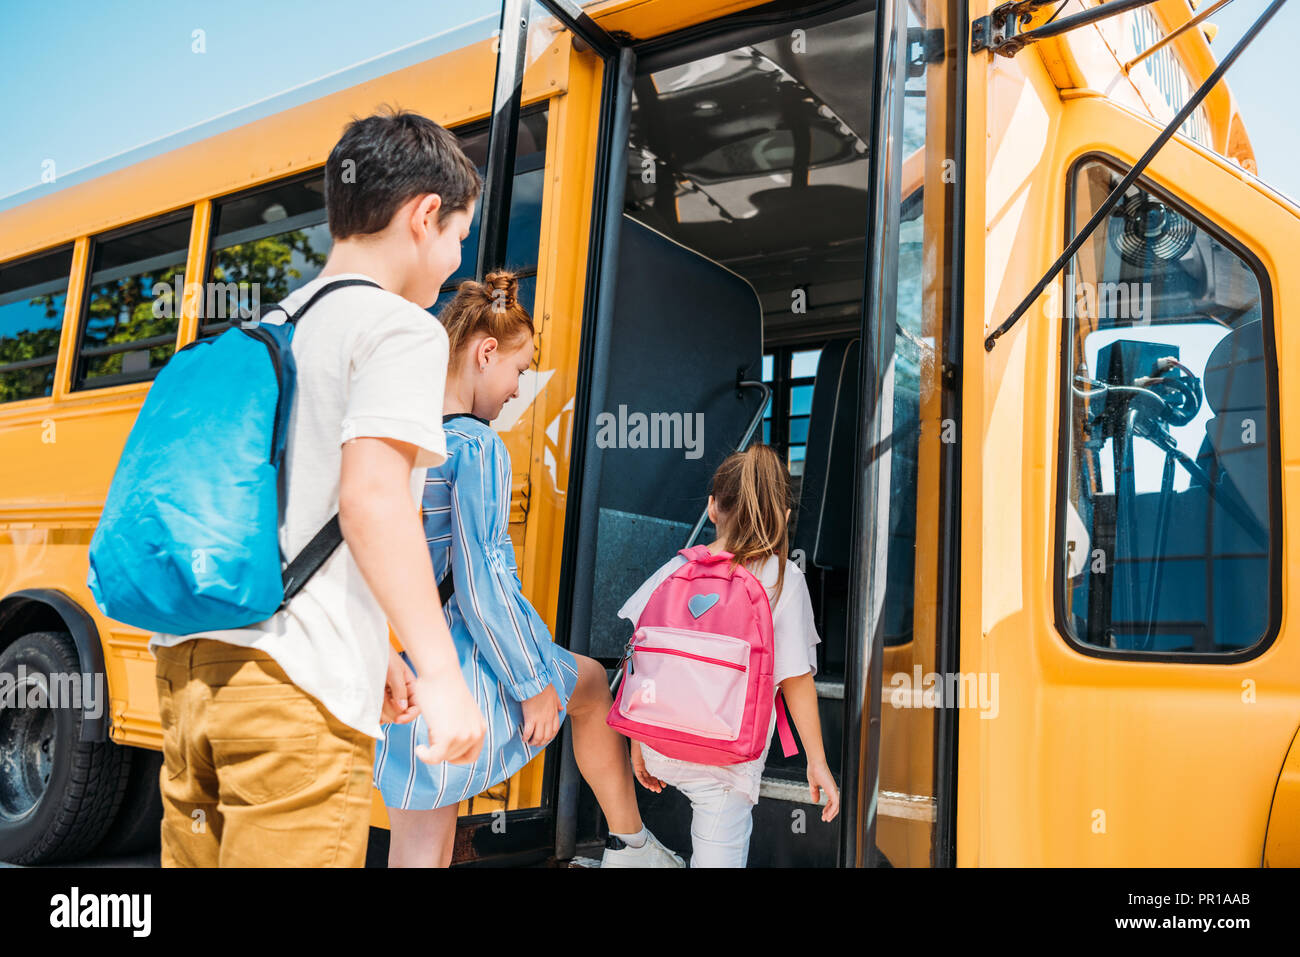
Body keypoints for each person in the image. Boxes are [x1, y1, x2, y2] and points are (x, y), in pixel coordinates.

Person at [150, 108, 487, 867]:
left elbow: (299, 509)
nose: (455, 262)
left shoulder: (268, 327)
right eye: (457, 237)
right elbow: (371, 499)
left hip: (190, 674)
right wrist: (439, 670)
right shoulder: (403, 328)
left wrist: (381, 649)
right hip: (291, 700)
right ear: (424, 215)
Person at [374, 270, 681, 868]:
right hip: (458, 664)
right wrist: (532, 682)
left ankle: (634, 848)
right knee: (589, 687)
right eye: (519, 370)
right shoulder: (476, 445)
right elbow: (483, 579)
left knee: (419, 843)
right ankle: (634, 848)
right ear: (485, 353)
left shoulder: (400, 436)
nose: (518, 390)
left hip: (399, 666)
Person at [616, 444, 841, 867]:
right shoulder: (783, 580)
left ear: (712, 508)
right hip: (727, 763)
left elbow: (643, 659)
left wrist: (638, 743)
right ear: (785, 516)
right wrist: (817, 761)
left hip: (663, 746)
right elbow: (795, 680)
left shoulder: (677, 568)